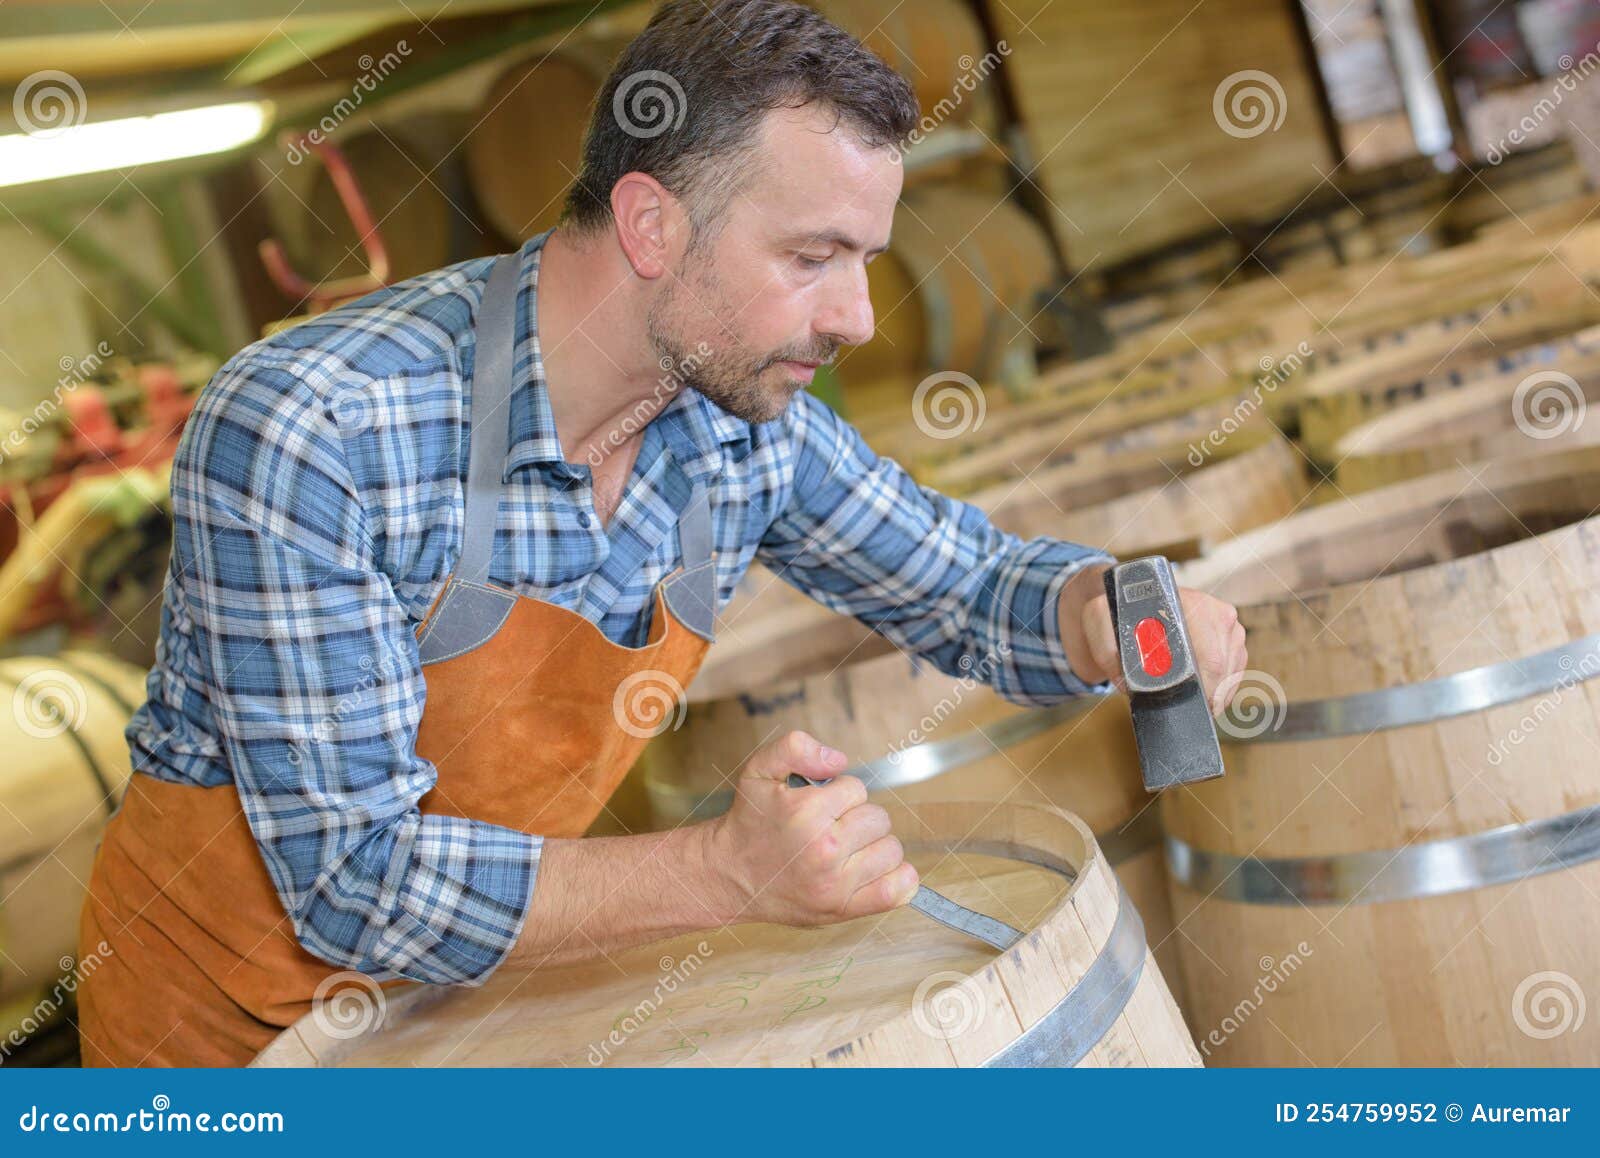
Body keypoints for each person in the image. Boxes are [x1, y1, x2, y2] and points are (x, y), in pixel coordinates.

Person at [77, 0, 1247, 1066]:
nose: (854, 316)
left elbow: (970, 586)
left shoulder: (742, 426)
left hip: (475, 1014)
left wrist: (1100, 614)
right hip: (228, 1036)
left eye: (865, 260)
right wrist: (725, 870)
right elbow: (353, 878)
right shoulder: (314, 426)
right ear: (650, 224)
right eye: (812, 257)